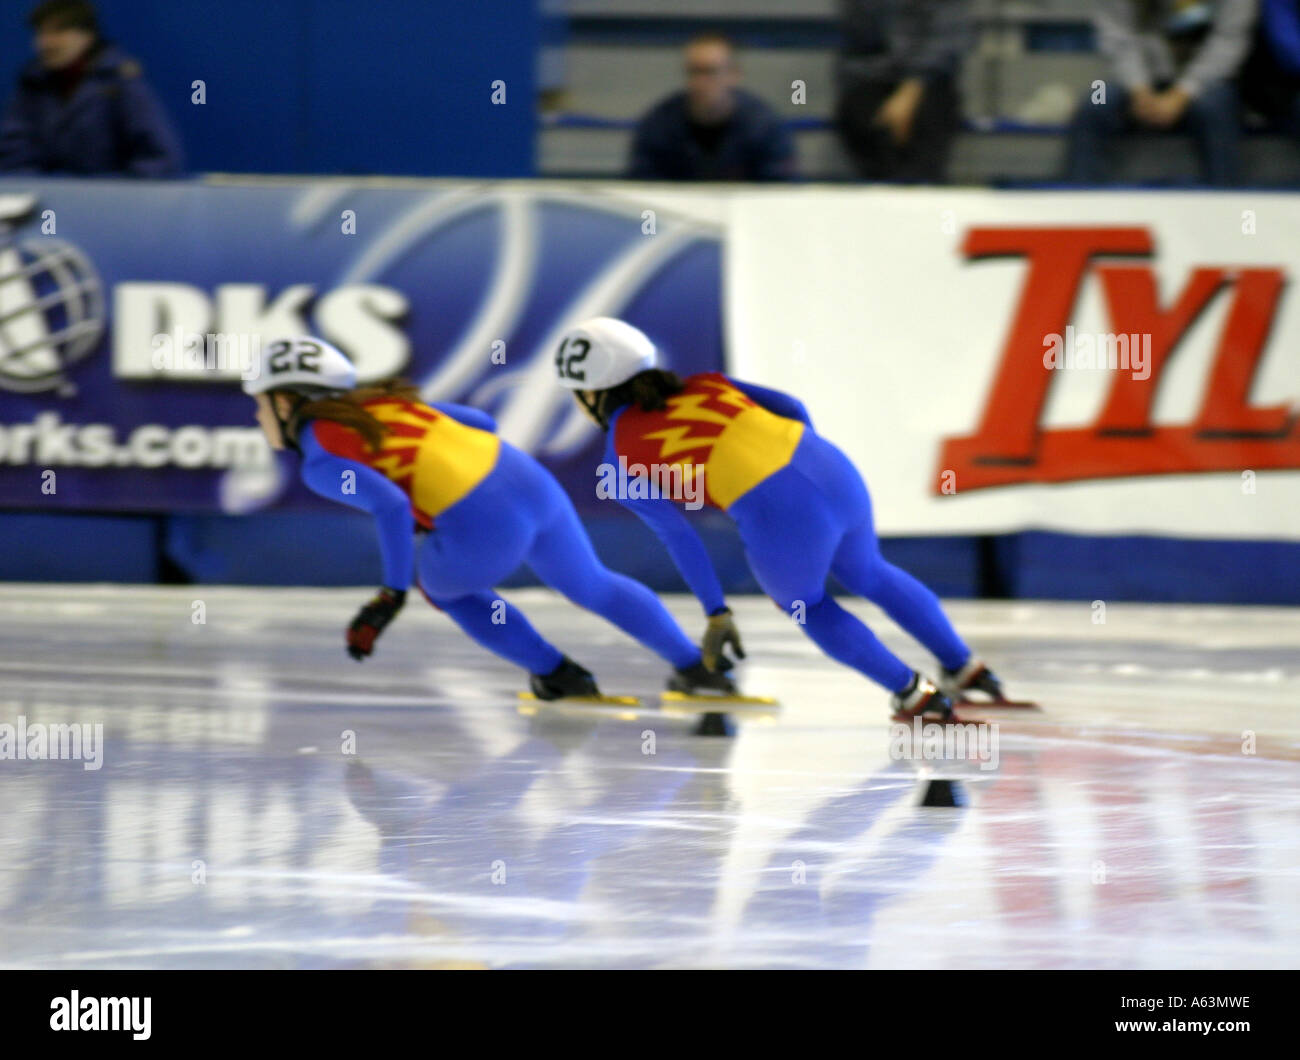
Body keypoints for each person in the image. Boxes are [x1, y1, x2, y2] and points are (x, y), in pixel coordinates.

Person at [553, 317, 1007, 721]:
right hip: (830, 468)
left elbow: (679, 536)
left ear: (590, 393)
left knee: (805, 605)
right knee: (869, 570)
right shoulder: (704, 383)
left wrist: (716, 612)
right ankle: (967, 669)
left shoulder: (619, 461)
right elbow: (792, 407)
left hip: (781, 514)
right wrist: (800, 469)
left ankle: (915, 697)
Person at [242, 336, 737, 702]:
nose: (260, 418)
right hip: (527, 480)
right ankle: (698, 670)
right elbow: (481, 423)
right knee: (592, 583)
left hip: (480, 520)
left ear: (285, 402)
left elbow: (390, 506)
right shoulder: (381, 406)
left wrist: (390, 594)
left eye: (260, 404)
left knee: (443, 589)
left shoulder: (321, 461)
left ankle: (559, 675)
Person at [1064, 0, 1257, 187]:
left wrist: (1183, 92)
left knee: (1216, 107)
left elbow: (1230, 38)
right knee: (1095, 102)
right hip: (1134, 78)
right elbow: (1115, 34)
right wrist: (1138, 87)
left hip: (1206, 81)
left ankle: (1225, 201)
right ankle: (1082, 205)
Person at [0, 0, 183, 177]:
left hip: (113, 202)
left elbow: (160, 159)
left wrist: (114, 192)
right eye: (41, 33)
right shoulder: (32, 84)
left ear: (87, 36)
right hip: (46, 201)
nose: (46, 43)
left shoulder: (121, 83)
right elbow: (13, 153)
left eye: (59, 31)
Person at [834, 0, 972, 184]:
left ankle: (922, 189)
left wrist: (912, 88)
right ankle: (880, 192)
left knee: (927, 114)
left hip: (932, 82)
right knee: (863, 115)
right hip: (870, 79)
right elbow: (858, 44)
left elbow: (945, 43)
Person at [627, 33, 796, 181]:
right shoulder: (659, 125)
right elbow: (643, 187)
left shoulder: (765, 127)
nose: (700, 82)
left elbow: (781, 191)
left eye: (710, 72)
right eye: (693, 72)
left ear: (734, 74)